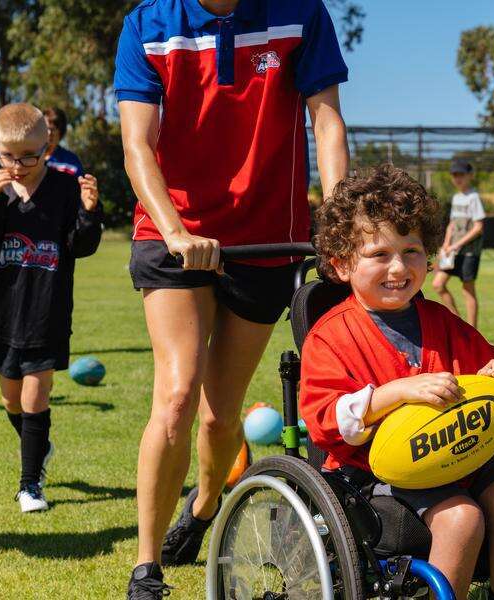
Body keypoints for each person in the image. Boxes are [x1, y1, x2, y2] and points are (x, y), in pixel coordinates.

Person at [114, 0, 349, 596]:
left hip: (268, 236)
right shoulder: (149, 23)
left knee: (222, 414)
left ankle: (204, 507)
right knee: (176, 393)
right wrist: (175, 233)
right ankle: (148, 566)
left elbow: (327, 121)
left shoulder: (300, 13)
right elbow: (137, 144)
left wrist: (340, 223)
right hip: (174, 234)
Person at [300, 165, 494, 600]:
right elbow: (324, 420)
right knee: (461, 519)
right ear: (342, 264)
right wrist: (393, 394)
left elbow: (492, 377)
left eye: (411, 251)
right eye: (378, 255)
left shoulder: (441, 321)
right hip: (377, 469)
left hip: (464, 450)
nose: (398, 266)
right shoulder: (331, 336)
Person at [0, 103, 102, 513]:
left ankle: (30, 486)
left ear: (48, 147)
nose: (19, 165)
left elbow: (81, 246)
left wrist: (89, 213)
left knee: (35, 398)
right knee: (11, 401)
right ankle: (37, 443)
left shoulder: (64, 189)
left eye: (30, 156)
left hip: (47, 313)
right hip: (3, 315)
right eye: (10, 156)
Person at [432, 159, 485, 328]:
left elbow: (478, 227)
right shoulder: (456, 198)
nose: (457, 178)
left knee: (467, 289)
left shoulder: (474, 197)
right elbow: (452, 224)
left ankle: (472, 332)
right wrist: (446, 245)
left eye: (461, 174)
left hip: (469, 252)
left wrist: (457, 244)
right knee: (438, 284)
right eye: (455, 175)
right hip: (453, 252)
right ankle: (460, 325)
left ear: (470, 175)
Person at [44, 107, 85, 177]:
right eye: (45, 128)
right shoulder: (29, 157)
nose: (49, 133)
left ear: (60, 132)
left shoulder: (71, 161)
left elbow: (79, 186)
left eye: (53, 129)